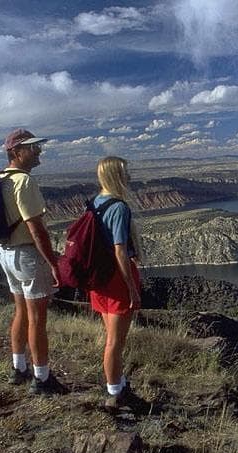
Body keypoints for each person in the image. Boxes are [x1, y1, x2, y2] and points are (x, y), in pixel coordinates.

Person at [0, 128, 67, 395]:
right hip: (26, 254)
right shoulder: (24, 182)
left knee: (20, 311)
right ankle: (42, 379)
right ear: (16, 152)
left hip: (5, 252)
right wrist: (52, 262)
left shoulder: (1, 179)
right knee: (37, 318)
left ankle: (19, 369)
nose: (38, 152)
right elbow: (36, 228)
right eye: (32, 148)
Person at [89, 156, 142, 404]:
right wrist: (131, 288)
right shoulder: (119, 208)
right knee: (115, 342)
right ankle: (115, 393)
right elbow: (120, 249)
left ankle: (118, 385)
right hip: (117, 280)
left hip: (99, 279)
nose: (129, 177)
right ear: (115, 176)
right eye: (125, 172)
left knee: (111, 338)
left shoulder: (95, 203)